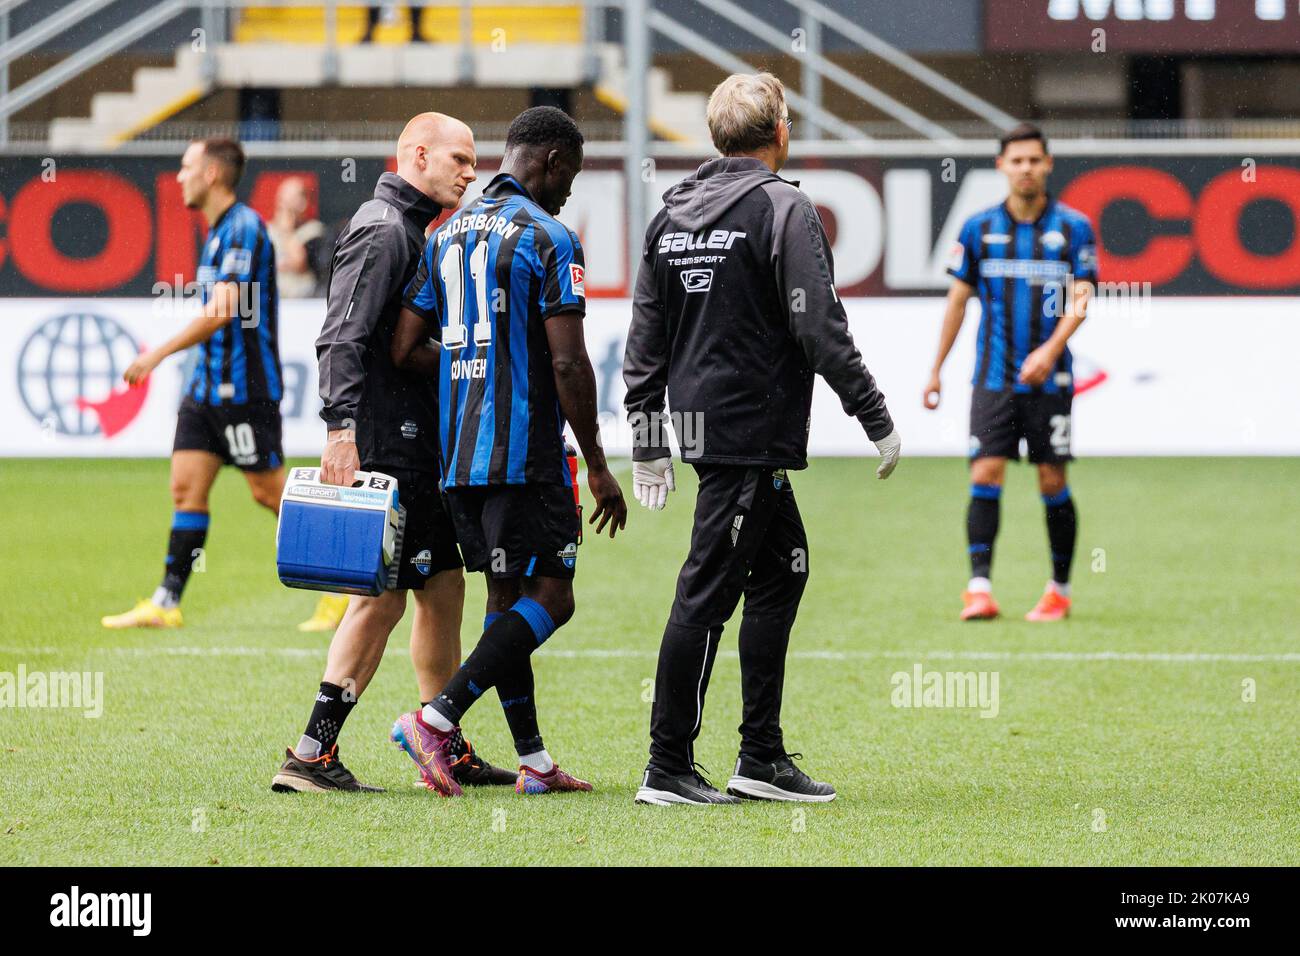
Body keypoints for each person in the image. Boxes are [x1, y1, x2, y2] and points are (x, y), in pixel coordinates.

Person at [623, 73, 901, 806]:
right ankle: (667, 766)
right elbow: (818, 326)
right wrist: (874, 414)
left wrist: (650, 436)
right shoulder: (785, 207)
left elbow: (644, 343)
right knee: (707, 593)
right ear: (781, 130)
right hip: (749, 433)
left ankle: (760, 759)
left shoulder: (669, 217)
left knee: (783, 570)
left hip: (710, 431)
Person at [270, 112, 515, 793]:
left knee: (439, 587)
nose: (471, 172)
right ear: (417, 154)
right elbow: (340, 338)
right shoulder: (384, 230)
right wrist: (341, 431)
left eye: (475, 161)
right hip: (387, 443)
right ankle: (311, 752)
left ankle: (445, 740)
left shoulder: (407, 228)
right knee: (378, 597)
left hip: (409, 441)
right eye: (460, 158)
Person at [389, 106, 627, 797]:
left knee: (504, 599)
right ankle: (437, 720)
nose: (569, 192)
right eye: (570, 177)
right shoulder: (547, 236)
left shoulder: (445, 234)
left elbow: (404, 347)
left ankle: (535, 762)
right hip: (524, 455)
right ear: (551, 163)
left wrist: (471, 366)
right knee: (553, 596)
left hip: (458, 456)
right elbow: (569, 366)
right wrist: (602, 465)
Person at [103, 139, 284, 630]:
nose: (179, 176)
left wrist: (159, 354)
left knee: (270, 494)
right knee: (185, 488)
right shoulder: (217, 232)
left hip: (245, 389)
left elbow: (224, 310)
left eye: (186, 167)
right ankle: (166, 601)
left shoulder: (243, 227)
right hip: (205, 389)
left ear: (212, 174)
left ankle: (345, 589)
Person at [923, 123, 1096, 623]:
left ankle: (1058, 591)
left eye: (1034, 160)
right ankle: (979, 589)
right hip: (992, 379)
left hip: (1051, 380)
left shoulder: (1073, 228)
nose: (1026, 168)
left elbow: (1081, 299)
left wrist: (1050, 349)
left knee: (1050, 478)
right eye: (1016, 160)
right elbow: (957, 300)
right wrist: (935, 370)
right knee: (985, 472)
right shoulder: (978, 229)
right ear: (1001, 166)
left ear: (1048, 164)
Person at [268, 176, 326, 300]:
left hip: (302, 301)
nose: (284, 205)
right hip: (273, 300)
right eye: (282, 199)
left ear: (303, 202)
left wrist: (287, 232)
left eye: (291, 199)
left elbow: (298, 263)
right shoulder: (267, 231)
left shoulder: (313, 231)